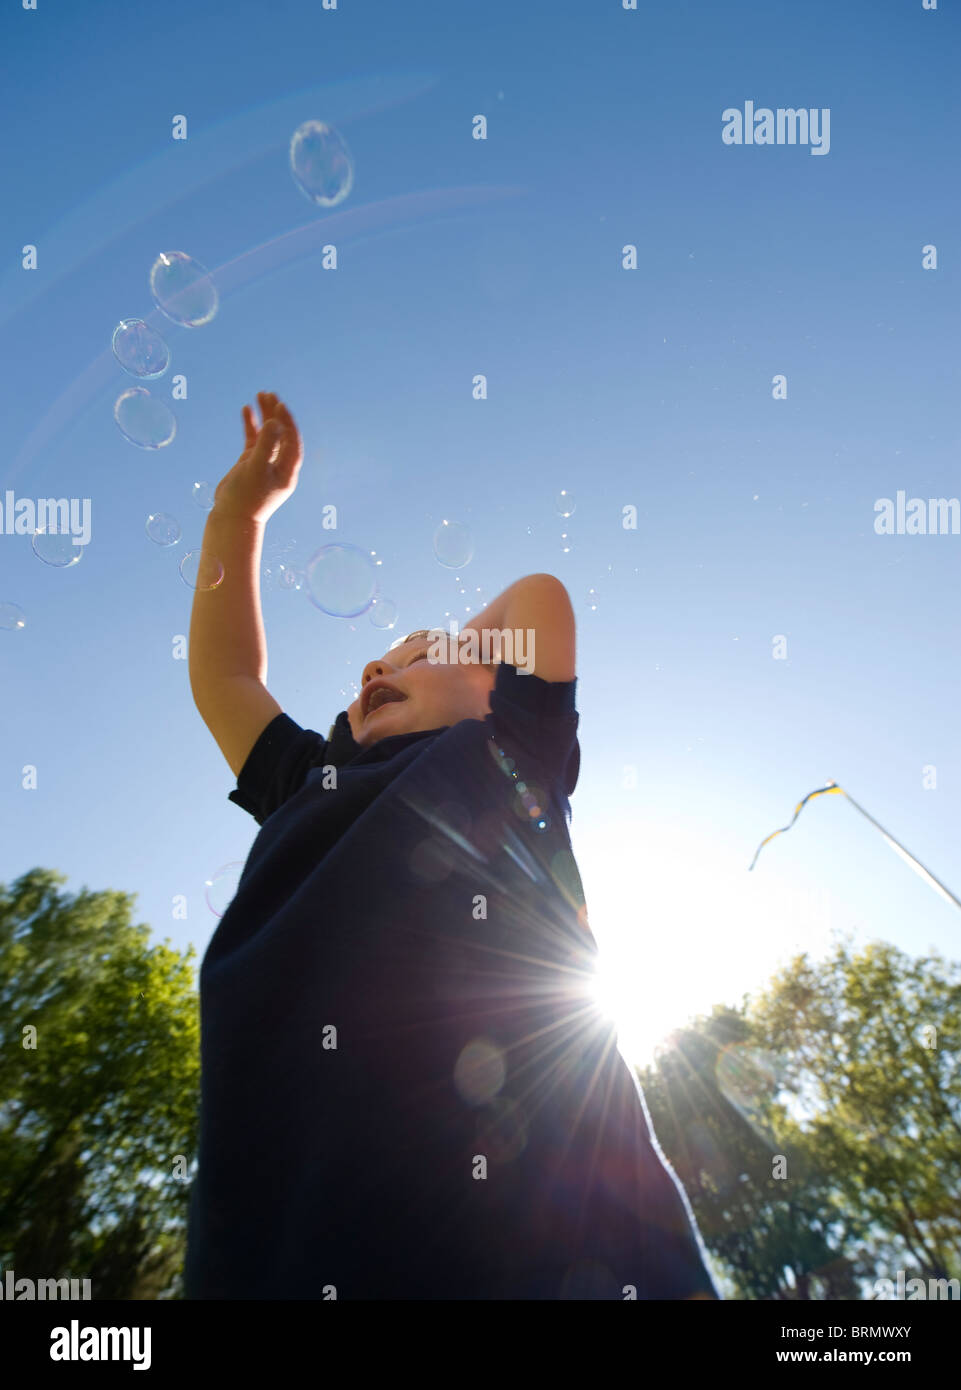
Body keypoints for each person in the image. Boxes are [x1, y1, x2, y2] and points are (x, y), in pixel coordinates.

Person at [183, 391, 720, 1300]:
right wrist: (235, 514)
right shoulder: (310, 781)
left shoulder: (510, 749)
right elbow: (224, 676)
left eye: (403, 658)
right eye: (374, 665)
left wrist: (449, 656)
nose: (373, 669)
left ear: (496, 680)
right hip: (284, 1219)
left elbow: (539, 600)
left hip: (536, 1203)